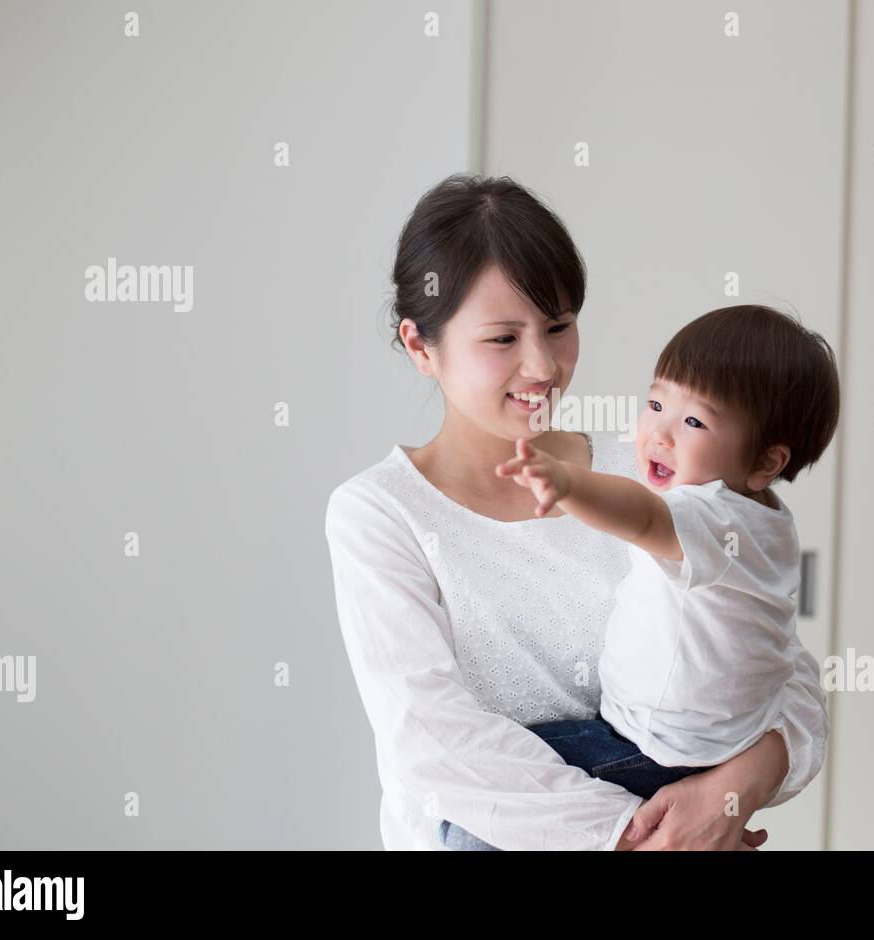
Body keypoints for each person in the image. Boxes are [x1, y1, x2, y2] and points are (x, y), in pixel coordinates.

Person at [324, 173, 829, 850]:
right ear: (420, 347)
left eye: (558, 327)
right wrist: (640, 839)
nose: (543, 367)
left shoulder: (656, 472)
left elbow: (781, 670)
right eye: (503, 339)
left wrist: (731, 791)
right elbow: (432, 741)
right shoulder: (381, 513)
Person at [438, 304, 840, 850]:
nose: (659, 434)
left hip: (655, 750)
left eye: (694, 422)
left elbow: (645, 516)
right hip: (690, 747)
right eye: (655, 404)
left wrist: (567, 484)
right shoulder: (767, 522)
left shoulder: (712, 517)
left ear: (766, 464)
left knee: (481, 816)